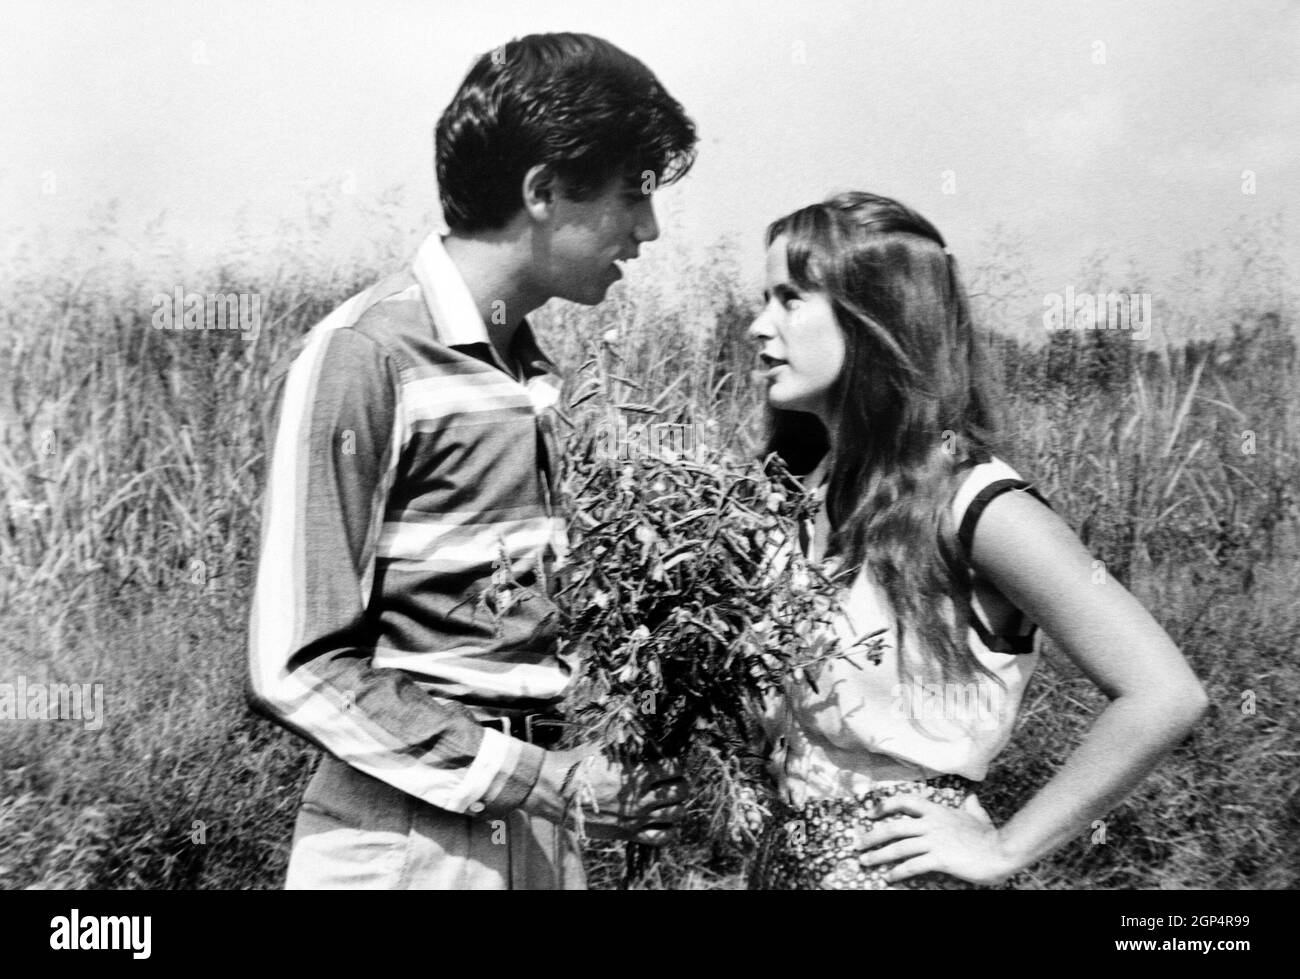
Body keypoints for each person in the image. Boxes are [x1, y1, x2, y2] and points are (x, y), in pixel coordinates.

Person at [247, 32, 697, 889]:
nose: (648, 228)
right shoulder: (366, 355)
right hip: (405, 847)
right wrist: (544, 778)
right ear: (542, 190)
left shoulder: (535, 379)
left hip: (539, 836)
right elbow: (294, 666)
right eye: (631, 194)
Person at [744, 191, 1208, 890]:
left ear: (876, 317)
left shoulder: (976, 501)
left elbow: (1164, 693)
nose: (758, 326)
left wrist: (1005, 848)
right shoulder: (799, 490)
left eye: (790, 299)